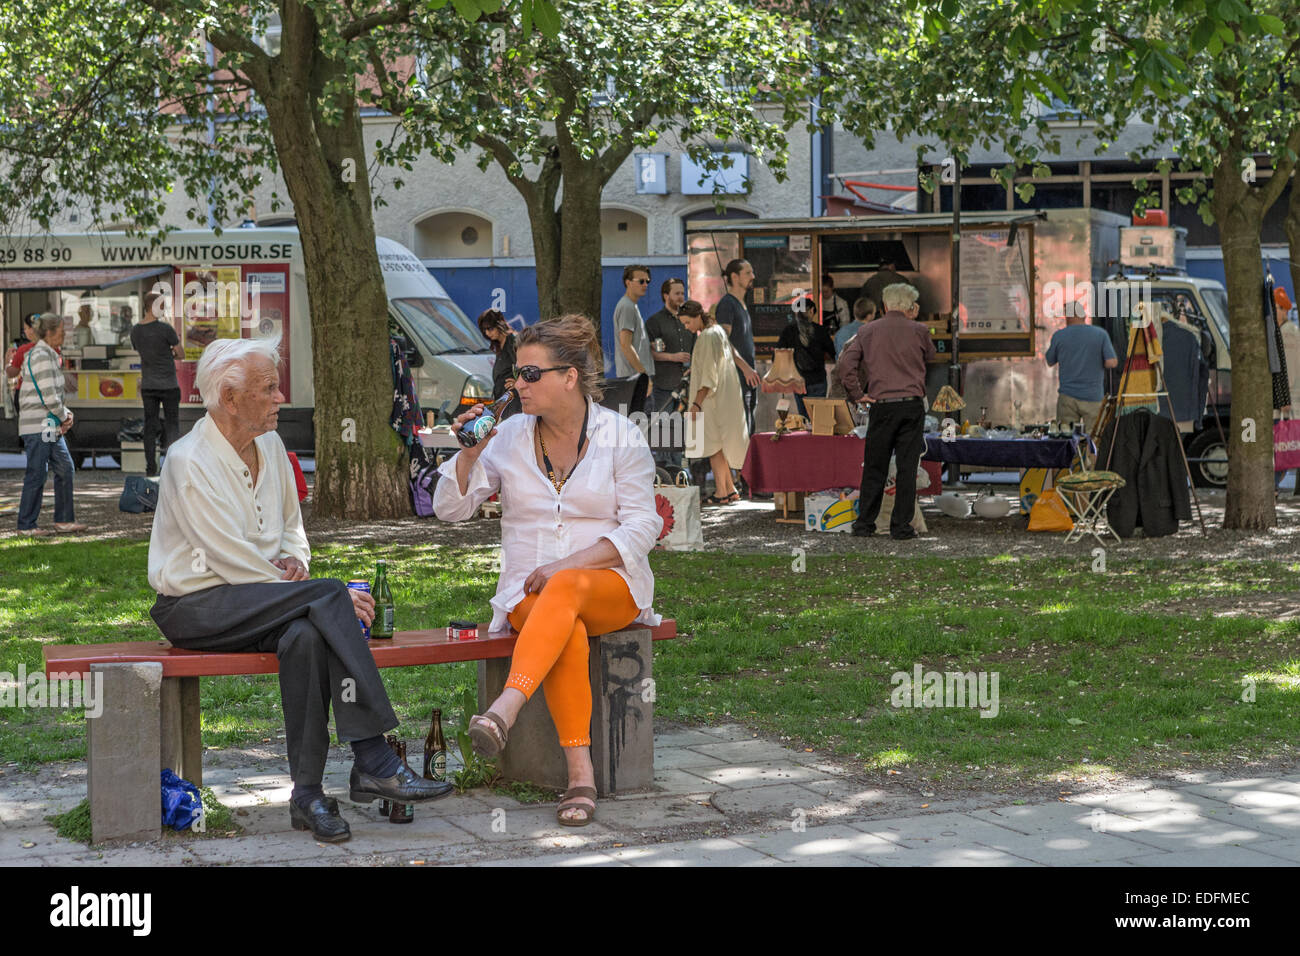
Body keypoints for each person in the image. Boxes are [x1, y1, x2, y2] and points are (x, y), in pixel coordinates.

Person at [147, 337, 452, 842]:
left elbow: (293, 527)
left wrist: (298, 564)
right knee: (329, 596)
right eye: (267, 388)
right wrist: (311, 589)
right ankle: (373, 756)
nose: (279, 397)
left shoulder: (270, 446)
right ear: (229, 397)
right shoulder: (187, 460)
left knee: (308, 638)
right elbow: (223, 555)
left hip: (266, 601)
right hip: (195, 606)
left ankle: (307, 795)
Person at [433, 314, 660, 826]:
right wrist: (468, 456)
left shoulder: (621, 435)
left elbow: (644, 527)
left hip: (612, 586)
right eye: (516, 373)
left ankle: (504, 710)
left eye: (531, 375)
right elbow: (449, 509)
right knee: (566, 627)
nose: (518, 385)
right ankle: (580, 777)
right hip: (527, 596)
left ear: (570, 377)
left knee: (569, 587)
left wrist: (567, 564)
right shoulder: (509, 435)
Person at [842, 283, 935, 540]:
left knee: (874, 466)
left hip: (881, 407)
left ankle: (864, 525)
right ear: (910, 306)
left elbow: (846, 366)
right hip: (911, 405)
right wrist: (913, 320)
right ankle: (901, 527)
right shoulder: (920, 330)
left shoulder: (867, 331)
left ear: (884, 306)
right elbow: (931, 354)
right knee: (907, 468)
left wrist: (857, 394)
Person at [16, 316, 87, 536]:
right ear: (49, 333)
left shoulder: (47, 354)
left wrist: (62, 415)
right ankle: (26, 525)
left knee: (64, 468)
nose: (64, 334)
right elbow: (49, 395)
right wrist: (65, 415)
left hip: (47, 424)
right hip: (39, 424)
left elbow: (52, 395)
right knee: (38, 472)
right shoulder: (42, 356)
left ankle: (63, 520)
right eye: (60, 331)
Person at [681, 300, 749, 504]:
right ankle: (728, 489)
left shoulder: (707, 337)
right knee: (718, 446)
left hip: (712, 401)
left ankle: (722, 491)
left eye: (687, 323)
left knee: (713, 446)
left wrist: (696, 404)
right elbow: (716, 364)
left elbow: (709, 377)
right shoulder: (717, 330)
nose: (687, 327)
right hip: (724, 398)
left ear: (696, 317)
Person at [130, 292, 184, 477]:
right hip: (169, 385)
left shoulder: (135, 330)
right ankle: (171, 467)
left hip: (148, 385)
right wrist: (171, 352)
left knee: (150, 427)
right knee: (172, 426)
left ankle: (150, 469)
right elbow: (181, 353)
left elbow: (141, 350)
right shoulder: (165, 329)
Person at [644, 278, 695, 469]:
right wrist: (673, 357)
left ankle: (681, 468)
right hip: (664, 383)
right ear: (666, 295)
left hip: (686, 386)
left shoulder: (688, 321)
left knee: (682, 428)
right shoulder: (655, 322)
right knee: (664, 428)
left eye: (683, 293)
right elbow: (649, 354)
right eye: (677, 293)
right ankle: (667, 470)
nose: (681, 297)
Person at [1045, 301, 1117, 431]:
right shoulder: (1100, 334)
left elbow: (1050, 361)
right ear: (1083, 315)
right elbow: (1111, 362)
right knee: (1094, 440)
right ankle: (1090, 452)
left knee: (1066, 439)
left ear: (1069, 316)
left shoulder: (1059, 336)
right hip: (1093, 397)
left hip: (1067, 398)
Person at [715, 258, 762, 437]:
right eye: (748, 273)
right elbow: (722, 341)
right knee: (740, 432)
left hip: (747, 378)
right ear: (734, 277)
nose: (753, 276)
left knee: (749, 429)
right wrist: (745, 368)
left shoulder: (741, 304)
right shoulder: (727, 304)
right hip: (736, 378)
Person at [777, 296, 836, 419]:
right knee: (818, 418)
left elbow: (777, 356)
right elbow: (833, 352)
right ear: (811, 311)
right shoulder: (820, 330)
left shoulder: (788, 331)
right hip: (818, 381)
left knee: (803, 419)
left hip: (798, 381)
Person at [613, 264, 655, 410]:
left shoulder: (631, 305)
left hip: (635, 380)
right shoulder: (627, 306)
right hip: (634, 381)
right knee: (642, 428)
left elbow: (631, 343)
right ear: (628, 282)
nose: (645, 285)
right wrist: (644, 375)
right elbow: (625, 344)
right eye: (641, 281)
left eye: (647, 281)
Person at [477, 308, 521, 420]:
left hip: (514, 400)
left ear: (499, 324)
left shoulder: (512, 341)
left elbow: (524, 365)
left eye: (490, 328)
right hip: (503, 399)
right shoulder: (499, 344)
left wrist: (519, 382)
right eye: (484, 330)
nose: (487, 333)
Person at [6, 313, 43, 412]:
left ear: (31, 329)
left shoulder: (23, 350)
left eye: (25, 328)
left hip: (26, 395)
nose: (25, 331)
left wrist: (7, 361)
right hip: (45, 395)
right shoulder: (53, 348)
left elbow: (12, 373)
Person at [820, 272, 850, 339]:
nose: (825, 294)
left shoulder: (840, 303)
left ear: (832, 288)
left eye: (827, 291)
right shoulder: (818, 302)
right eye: (822, 292)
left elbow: (845, 324)